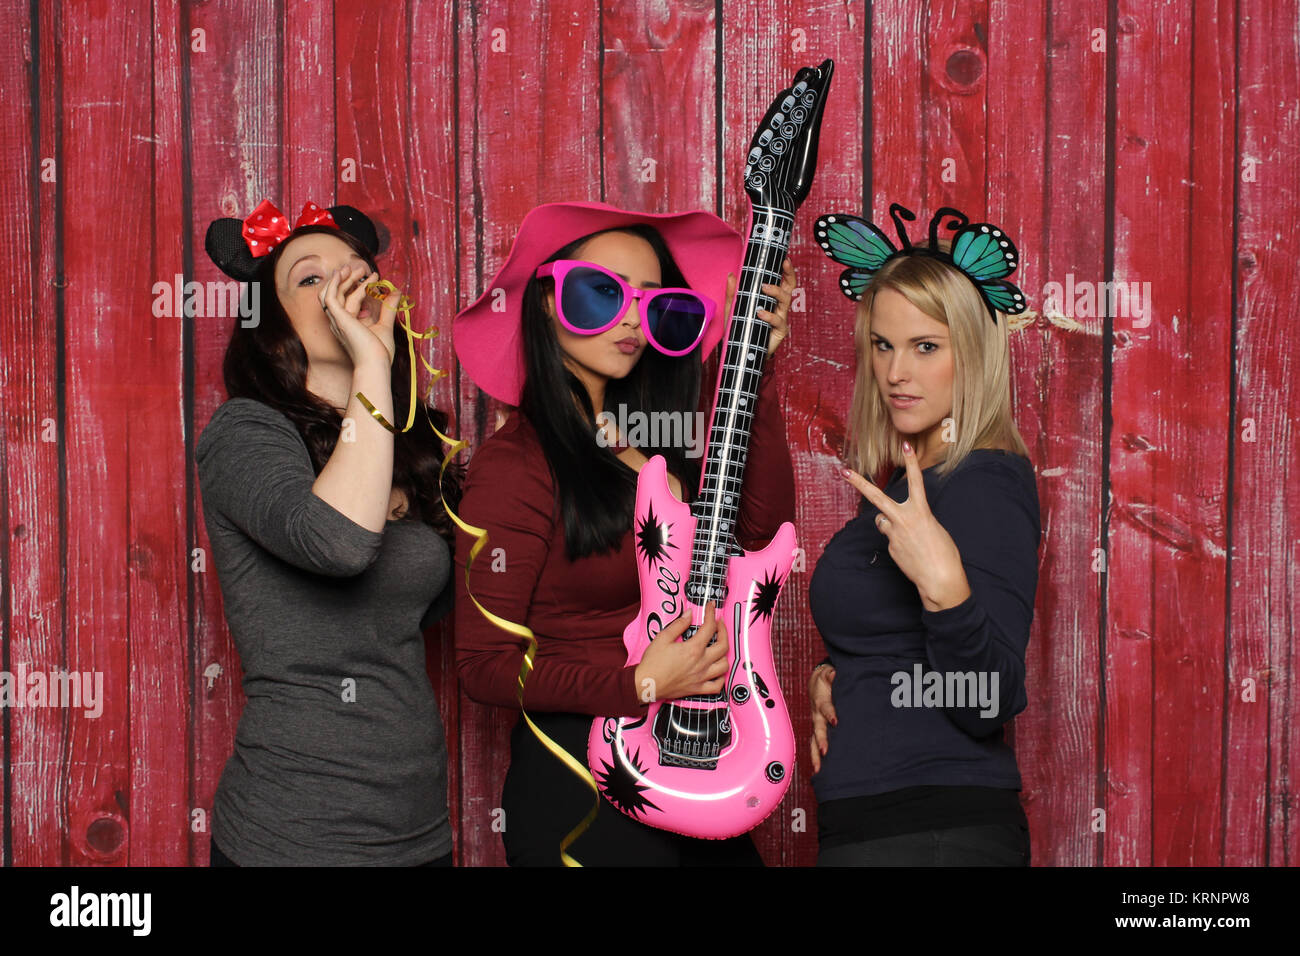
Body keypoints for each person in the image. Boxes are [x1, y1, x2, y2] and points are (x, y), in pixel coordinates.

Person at [451, 201, 797, 866]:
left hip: (697, 767)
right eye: (600, 292)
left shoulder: (658, 446)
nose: (631, 317)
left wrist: (759, 371)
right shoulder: (516, 464)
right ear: (548, 301)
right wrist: (638, 683)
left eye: (653, 301)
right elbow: (483, 668)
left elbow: (756, 541)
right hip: (583, 788)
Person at [196, 199, 460, 865]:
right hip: (294, 836)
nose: (344, 287)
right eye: (310, 279)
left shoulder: (412, 444)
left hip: (418, 831)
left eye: (355, 270)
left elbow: (423, 606)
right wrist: (372, 363)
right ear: (270, 325)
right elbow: (341, 545)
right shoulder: (245, 433)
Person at [806, 204, 1042, 866]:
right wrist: (837, 673)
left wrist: (946, 588)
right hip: (876, 826)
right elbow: (895, 645)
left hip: (934, 830)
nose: (896, 372)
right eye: (883, 345)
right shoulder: (911, 481)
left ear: (971, 354)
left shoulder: (984, 482)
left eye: (925, 347)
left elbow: (989, 699)